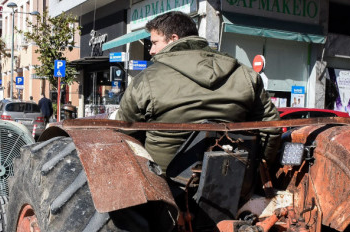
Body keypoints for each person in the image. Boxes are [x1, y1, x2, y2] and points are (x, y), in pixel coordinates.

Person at [116, 11, 279, 170]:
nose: (151, 50)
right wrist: (258, 170)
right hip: (231, 185)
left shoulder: (146, 80)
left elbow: (124, 134)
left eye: (155, 42)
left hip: (164, 187)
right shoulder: (245, 74)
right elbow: (271, 127)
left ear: (173, 39)